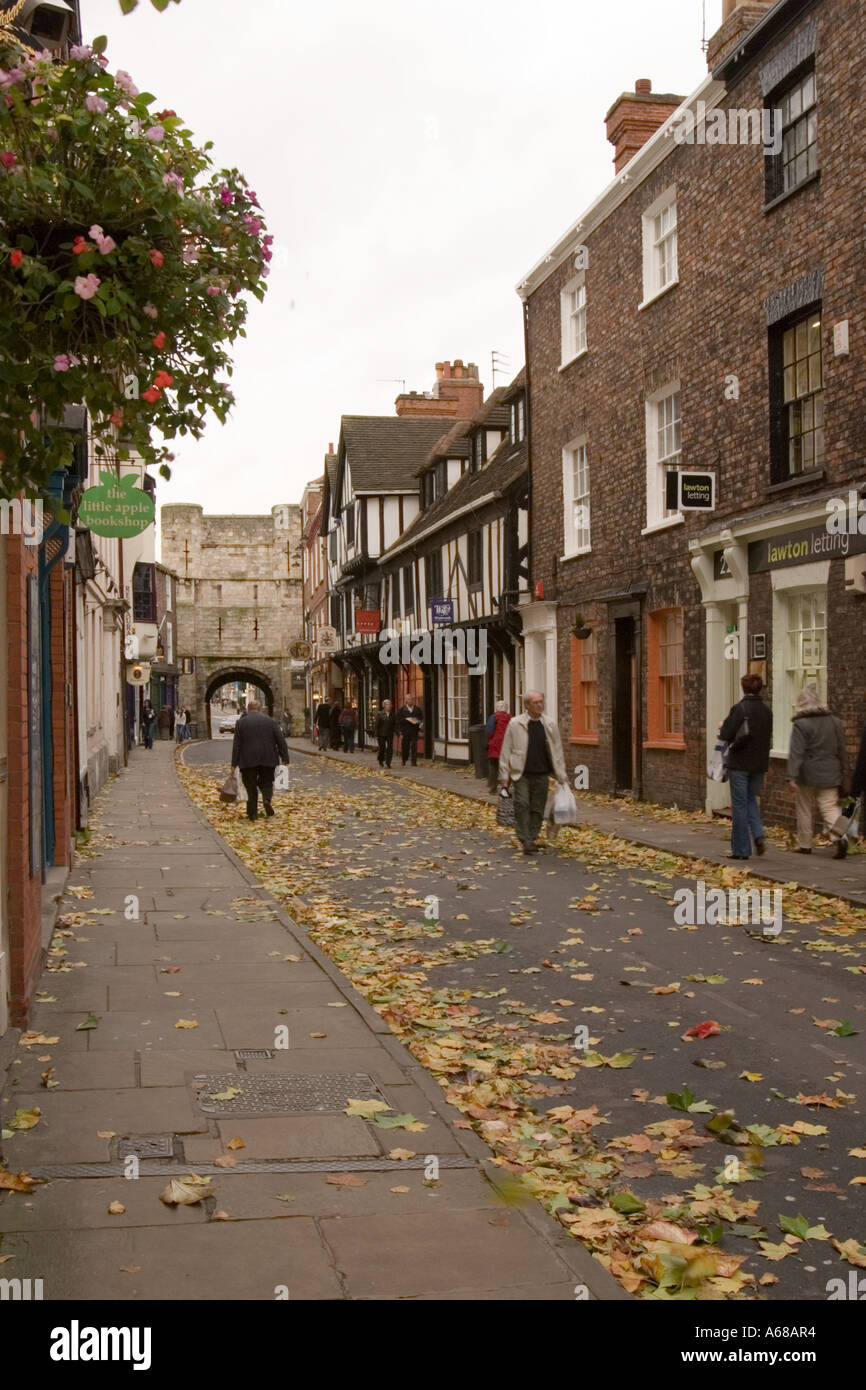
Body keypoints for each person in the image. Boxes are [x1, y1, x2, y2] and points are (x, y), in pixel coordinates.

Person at [498, 690, 568, 855]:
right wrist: (504, 777)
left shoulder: (549, 724)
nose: (539, 705)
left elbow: (557, 751)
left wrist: (562, 775)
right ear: (527, 705)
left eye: (541, 702)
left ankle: (531, 837)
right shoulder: (516, 724)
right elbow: (505, 751)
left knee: (537, 808)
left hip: (542, 773)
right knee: (522, 804)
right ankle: (524, 838)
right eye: (536, 702)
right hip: (521, 773)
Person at [787, 686, 850, 856]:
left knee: (805, 809)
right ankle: (840, 836)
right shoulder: (834, 722)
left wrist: (791, 776)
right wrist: (845, 768)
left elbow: (797, 752)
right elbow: (841, 748)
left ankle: (805, 844)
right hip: (831, 771)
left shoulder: (801, 724)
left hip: (807, 773)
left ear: (800, 704)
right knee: (829, 807)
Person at [719, 673, 773, 861]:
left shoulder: (739, 708)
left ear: (743, 688)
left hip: (740, 763)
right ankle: (758, 834)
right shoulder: (767, 711)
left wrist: (722, 725)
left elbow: (726, 734)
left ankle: (741, 850)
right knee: (751, 800)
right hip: (759, 764)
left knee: (740, 805)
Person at [230, 698, 290, 821]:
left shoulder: (241, 722)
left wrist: (234, 764)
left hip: (247, 759)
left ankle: (252, 814)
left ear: (248, 709)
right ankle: (266, 800)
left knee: (250, 786)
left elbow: (237, 744)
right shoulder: (271, 721)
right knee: (267, 782)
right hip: (268, 757)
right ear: (260, 709)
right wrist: (285, 758)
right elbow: (280, 740)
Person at [485, 700, 512, 793]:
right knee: (507, 768)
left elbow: (489, 731)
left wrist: (488, 741)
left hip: (495, 746)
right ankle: (506, 788)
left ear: (497, 708)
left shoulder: (493, 717)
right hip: (507, 747)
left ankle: (493, 788)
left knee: (494, 767)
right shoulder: (510, 718)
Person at [397, 698, 423, 766]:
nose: (410, 701)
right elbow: (398, 720)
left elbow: (421, 719)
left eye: (411, 700)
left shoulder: (417, 709)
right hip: (405, 731)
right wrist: (407, 720)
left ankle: (414, 762)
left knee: (414, 746)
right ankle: (404, 760)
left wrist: (419, 727)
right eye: (408, 700)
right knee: (405, 746)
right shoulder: (402, 709)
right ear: (406, 701)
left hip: (414, 730)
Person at [375, 700, 395, 768]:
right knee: (382, 748)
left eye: (389, 704)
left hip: (389, 734)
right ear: (384, 706)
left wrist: (398, 733)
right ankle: (381, 760)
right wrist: (376, 734)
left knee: (390, 748)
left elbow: (394, 725)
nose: (389, 706)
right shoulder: (380, 714)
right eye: (387, 704)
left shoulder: (392, 714)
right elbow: (377, 725)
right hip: (381, 734)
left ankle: (388, 762)